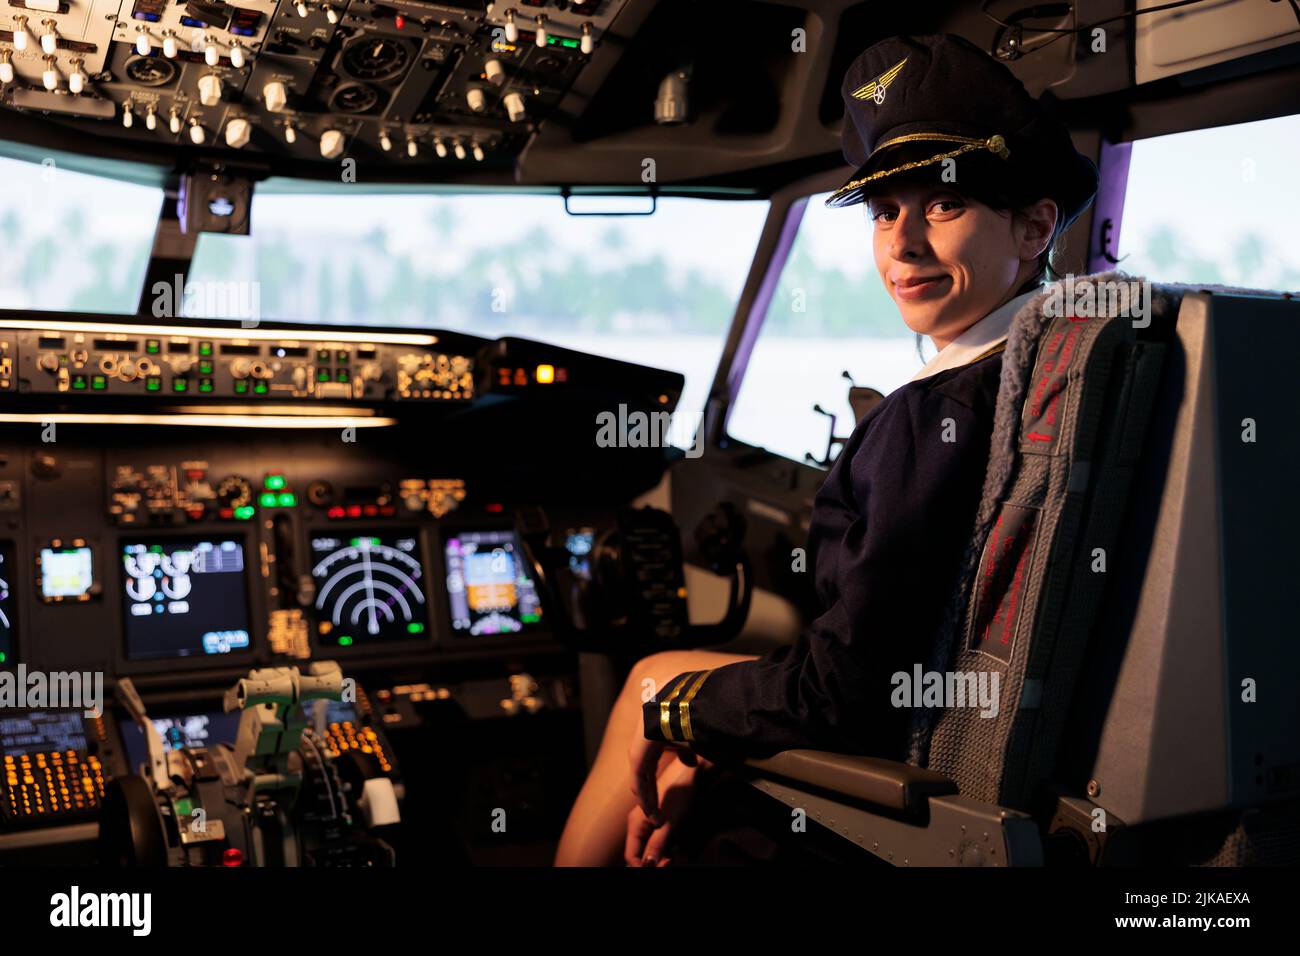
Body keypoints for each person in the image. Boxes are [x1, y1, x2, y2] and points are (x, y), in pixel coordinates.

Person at [554, 33, 1099, 867]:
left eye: (943, 206)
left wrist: (683, 716)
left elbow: (839, 692)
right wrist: (714, 730)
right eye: (886, 212)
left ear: (1033, 227)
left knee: (648, 685)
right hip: (987, 726)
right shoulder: (1053, 378)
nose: (903, 245)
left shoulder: (931, 417)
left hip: (911, 748)